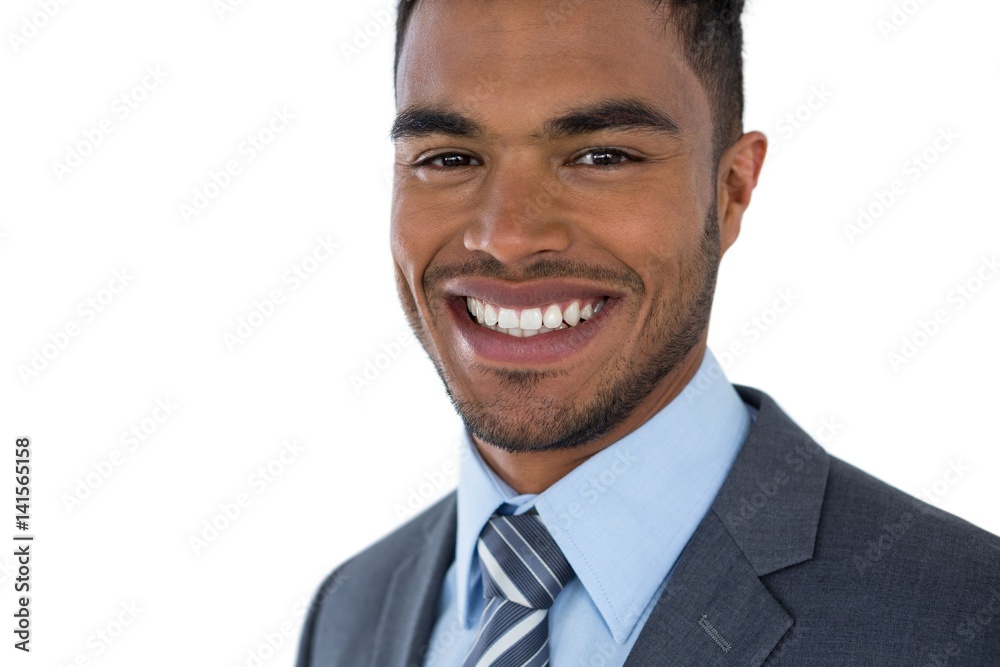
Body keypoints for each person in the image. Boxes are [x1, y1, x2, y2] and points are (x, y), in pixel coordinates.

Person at [297, 1, 1000, 664]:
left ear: (730, 191)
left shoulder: (965, 615)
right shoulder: (351, 610)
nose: (506, 237)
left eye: (601, 156)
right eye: (448, 158)